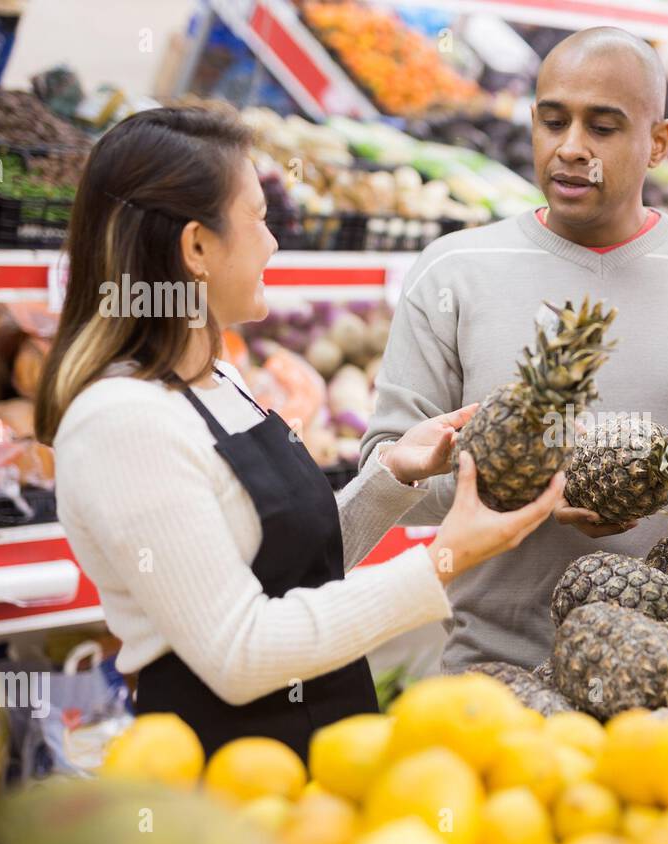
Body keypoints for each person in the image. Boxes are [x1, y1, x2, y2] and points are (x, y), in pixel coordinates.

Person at [35, 108, 564, 759]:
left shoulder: (215, 378)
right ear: (197, 247)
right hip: (232, 782)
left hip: (321, 761)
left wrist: (390, 480)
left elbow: (287, 570)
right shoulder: (123, 421)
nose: (274, 243)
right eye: (258, 219)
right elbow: (240, 653)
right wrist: (442, 561)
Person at [362, 28, 668, 673]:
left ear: (658, 143)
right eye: (552, 120)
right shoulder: (454, 271)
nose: (571, 148)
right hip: (494, 669)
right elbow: (387, 471)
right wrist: (509, 481)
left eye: (603, 127)